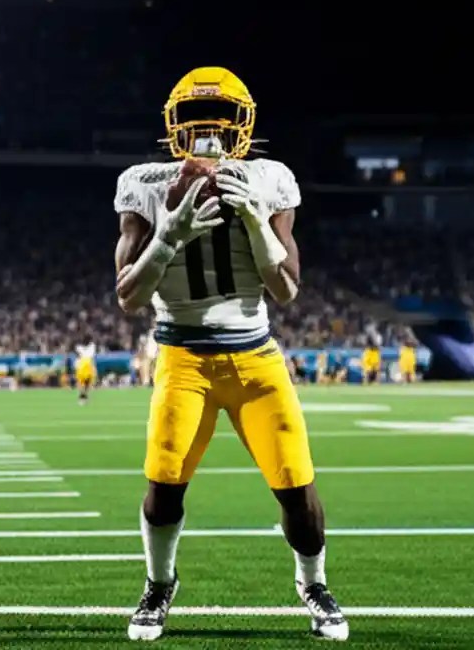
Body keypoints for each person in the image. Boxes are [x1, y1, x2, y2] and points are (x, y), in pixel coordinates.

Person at [112, 67, 347, 641]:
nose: (208, 134)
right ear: (174, 128)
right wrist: (168, 233)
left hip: (255, 359)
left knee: (296, 484)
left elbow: (287, 290)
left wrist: (256, 221)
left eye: (219, 123)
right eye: (195, 123)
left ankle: (313, 584)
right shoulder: (143, 182)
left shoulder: (269, 179)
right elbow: (128, 297)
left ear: (243, 127)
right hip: (182, 358)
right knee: (164, 482)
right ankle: (159, 585)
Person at [73, 337, 97, 405]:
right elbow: (78, 355)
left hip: (86, 366)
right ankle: (83, 397)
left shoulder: (91, 347)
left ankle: (83, 397)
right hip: (84, 366)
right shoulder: (81, 347)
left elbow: (91, 357)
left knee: (86, 384)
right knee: (84, 384)